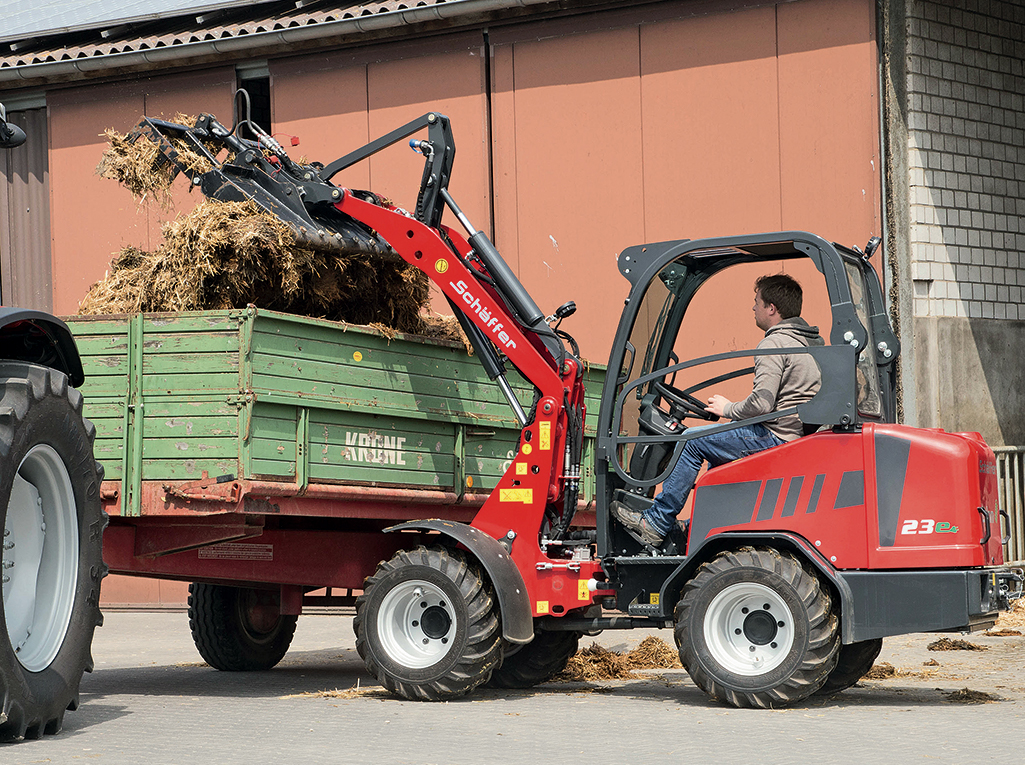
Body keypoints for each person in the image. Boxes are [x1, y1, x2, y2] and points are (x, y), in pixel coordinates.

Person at [611, 273, 824, 547]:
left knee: (692, 441)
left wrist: (728, 408)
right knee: (717, 447)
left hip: (775, 436)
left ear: (772, 308)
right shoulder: (809, 343)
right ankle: (701, 525)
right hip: (795, 437)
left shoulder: (775, 343)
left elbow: (761, 404)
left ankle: (656, 521)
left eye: (757, 302)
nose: (754, 308)